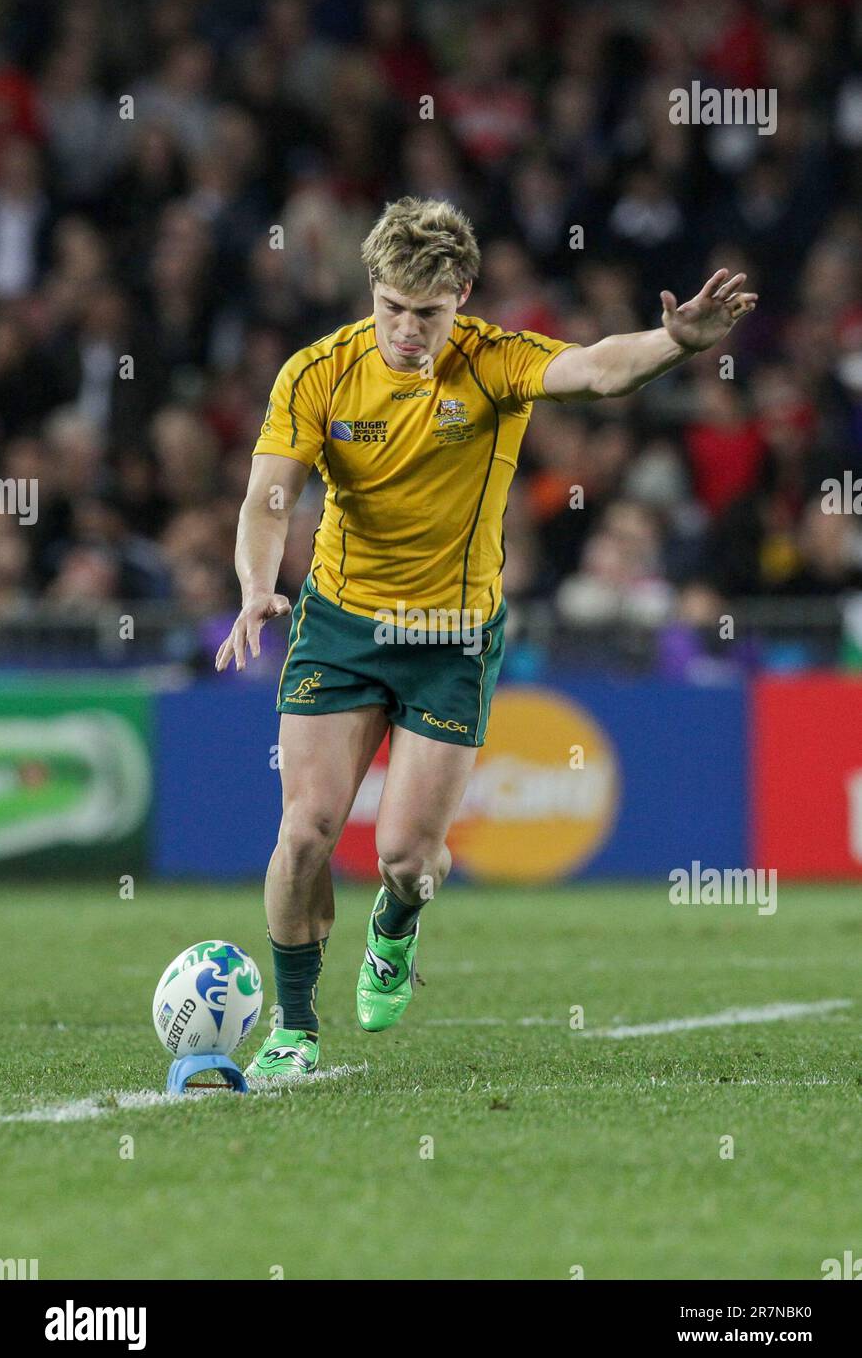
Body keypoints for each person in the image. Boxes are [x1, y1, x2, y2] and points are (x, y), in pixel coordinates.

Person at [215, 196, 757, 1079]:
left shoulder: (493, 361)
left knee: (406, 860)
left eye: (427, 313)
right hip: (341, 624)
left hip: (451, 637)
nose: (407, 330)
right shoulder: (318, 372)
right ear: (372, 291)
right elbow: (268, 496)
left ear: (460, 295)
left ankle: (396, 926)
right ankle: (294, 1026)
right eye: (391, 307)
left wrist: (676, 344)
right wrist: (253, 587)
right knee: (306, 829)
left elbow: (598, 370)